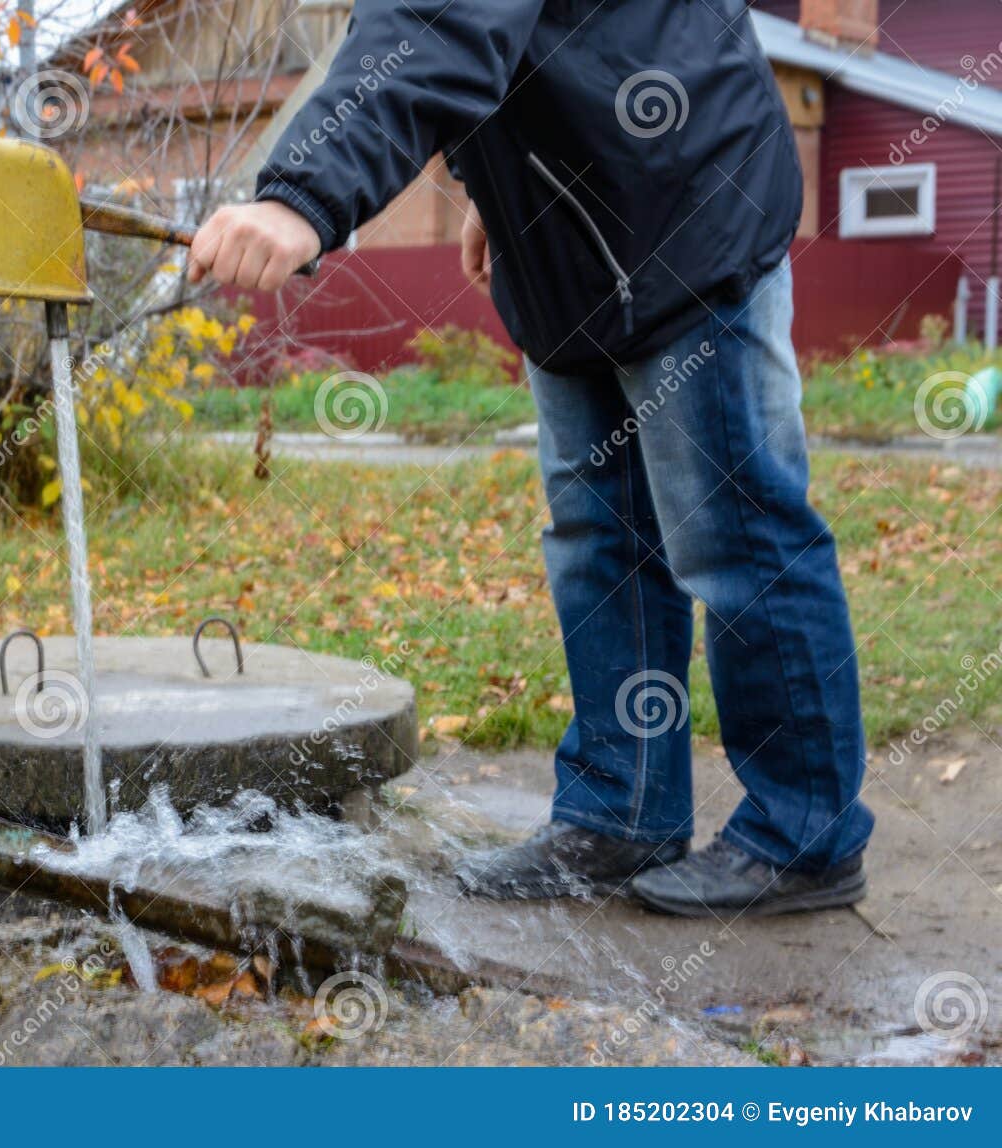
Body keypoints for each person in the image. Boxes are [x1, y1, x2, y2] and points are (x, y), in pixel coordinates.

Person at [186, 0, 872, 916]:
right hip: (570, 242)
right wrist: (497, 189)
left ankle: (805, 836)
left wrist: (299, 195)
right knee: (599, 540)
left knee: (740, 535)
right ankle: (620, 813)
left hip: (684, 203)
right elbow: (532, 38)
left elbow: (436, 26)